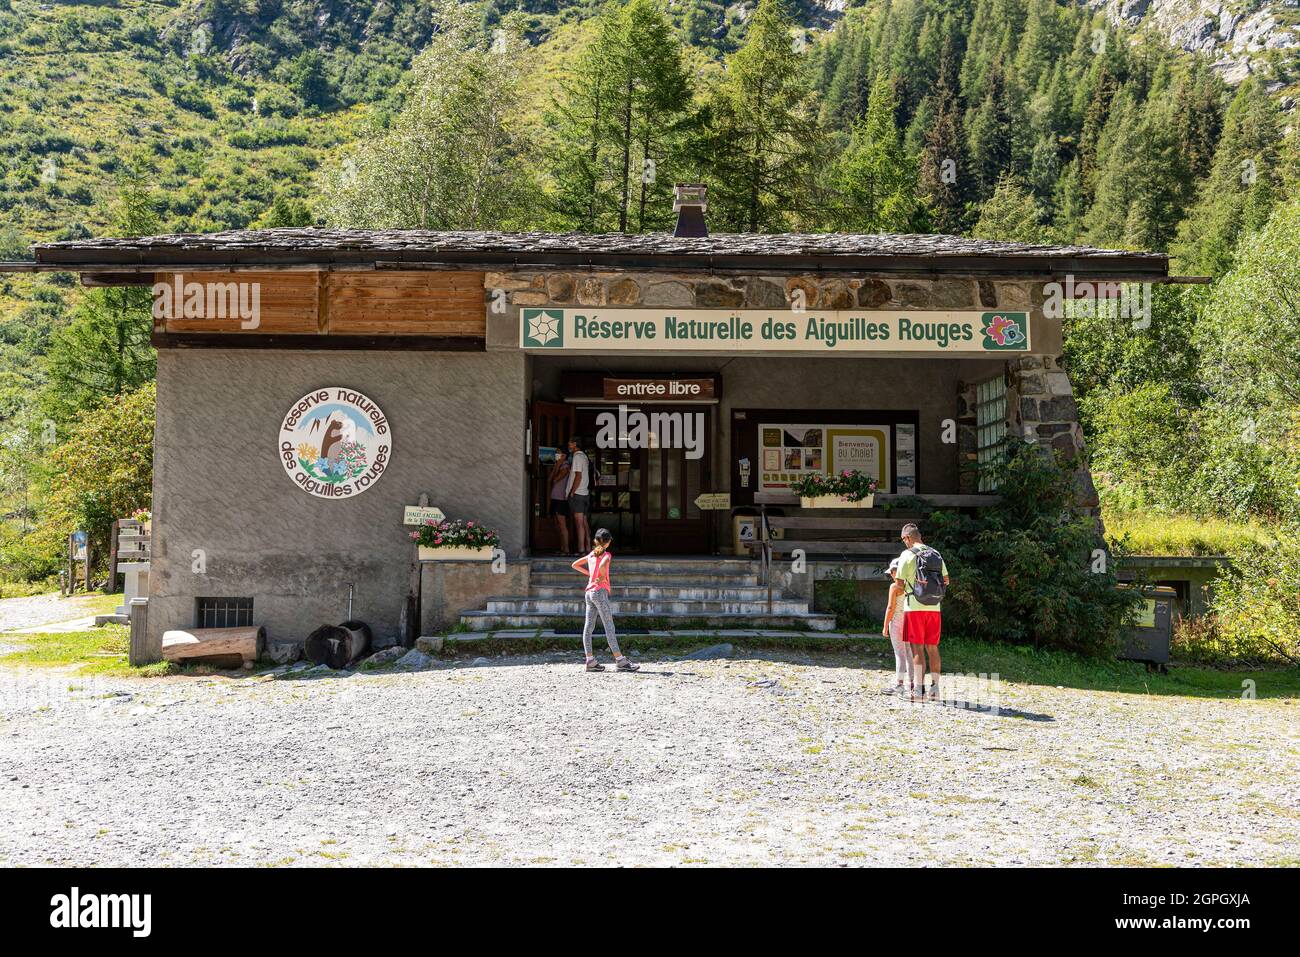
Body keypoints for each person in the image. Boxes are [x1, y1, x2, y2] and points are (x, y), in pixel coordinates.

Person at [571, 528, 638, 672]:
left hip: (589, 592)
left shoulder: (591, 555)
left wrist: (590, 574)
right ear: (608, 542)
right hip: (599, 592)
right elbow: (602, 565)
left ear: (596, 541)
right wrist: (601, 577)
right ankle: (620, 660)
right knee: (609, 626)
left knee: (588, 627)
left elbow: (575, 564)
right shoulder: (606, 555)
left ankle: (590, 661)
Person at [896, 523, 949, 702]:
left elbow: (899, 583)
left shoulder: (907, 555)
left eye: (904, 540)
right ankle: (935, 690)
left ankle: (919, 691)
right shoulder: (936, 554)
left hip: (914, 607)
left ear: (907, 538)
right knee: (932, 648)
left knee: (917, 648)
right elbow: (946, 580)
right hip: (934, 608)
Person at [880, 557, 914, 696]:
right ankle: (912, 684)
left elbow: (890, 607)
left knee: (899, 654)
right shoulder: (911, 584)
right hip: (910, 621)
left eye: (892, 572)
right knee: (909, 653)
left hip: (897, 622)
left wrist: (884, 626)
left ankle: (899, 684)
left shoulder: (894, 586)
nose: (891, 575)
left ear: (896, 571)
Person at [566, 436, 592, 557]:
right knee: (584, 522)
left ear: (575, 444)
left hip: (578, 494)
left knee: (579, 523)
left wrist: (572, 491)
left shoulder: (577, 457)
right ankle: (588, 546)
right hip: (585, 493)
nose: (568, 444)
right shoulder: (584, 456)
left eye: (570, 443)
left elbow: (578, 476)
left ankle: (581, 549)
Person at [547, 450, 572, 555]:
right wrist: (557, 465)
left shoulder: (565, 466)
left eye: (558, 453)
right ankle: (562, 547)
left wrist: (558, 465)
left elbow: (555, 479)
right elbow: (549, 479)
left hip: (561, 499)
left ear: (564, 455)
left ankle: (566, 549)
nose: (556, 455)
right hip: (555, 498)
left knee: (562, 525)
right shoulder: (559, 465)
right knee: (557, 524)